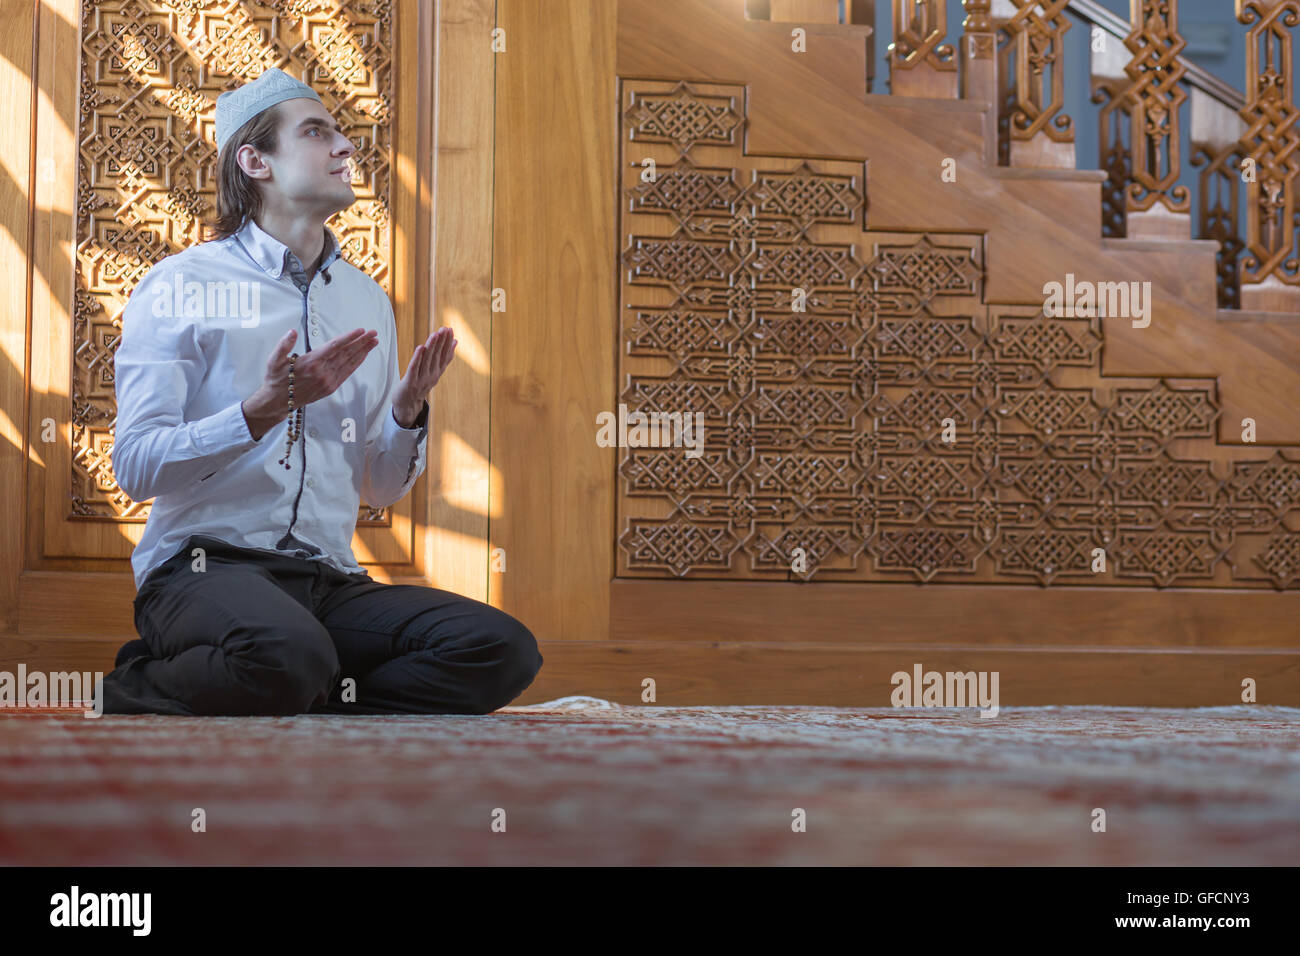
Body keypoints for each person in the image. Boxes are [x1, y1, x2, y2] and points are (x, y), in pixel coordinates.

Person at [99, 68, 542, 716]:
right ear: (255, 161)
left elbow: (379, 488)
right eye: (316, 132)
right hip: (200, 569)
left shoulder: (366, 301)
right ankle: (140, 687)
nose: (346, 147)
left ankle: (301, 687)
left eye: (340, 132)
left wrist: (406, 412)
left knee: (501, 649)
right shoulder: (180, 286)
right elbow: (137, 469)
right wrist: (259, 412)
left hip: (329, 582)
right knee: (285, 653)